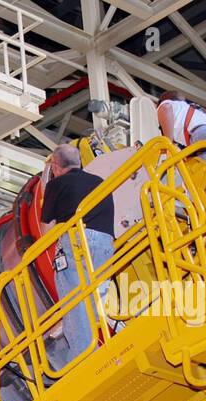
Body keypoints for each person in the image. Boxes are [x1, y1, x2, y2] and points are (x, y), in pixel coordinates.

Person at [40, 143, 115, 362]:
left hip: (76, 242)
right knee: (94, 300)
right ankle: (97, 348)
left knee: (74, 301)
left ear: (55, 165)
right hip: (105, 245)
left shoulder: (57, 184)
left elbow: (47, 230)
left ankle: (83, 358)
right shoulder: (99, 182)